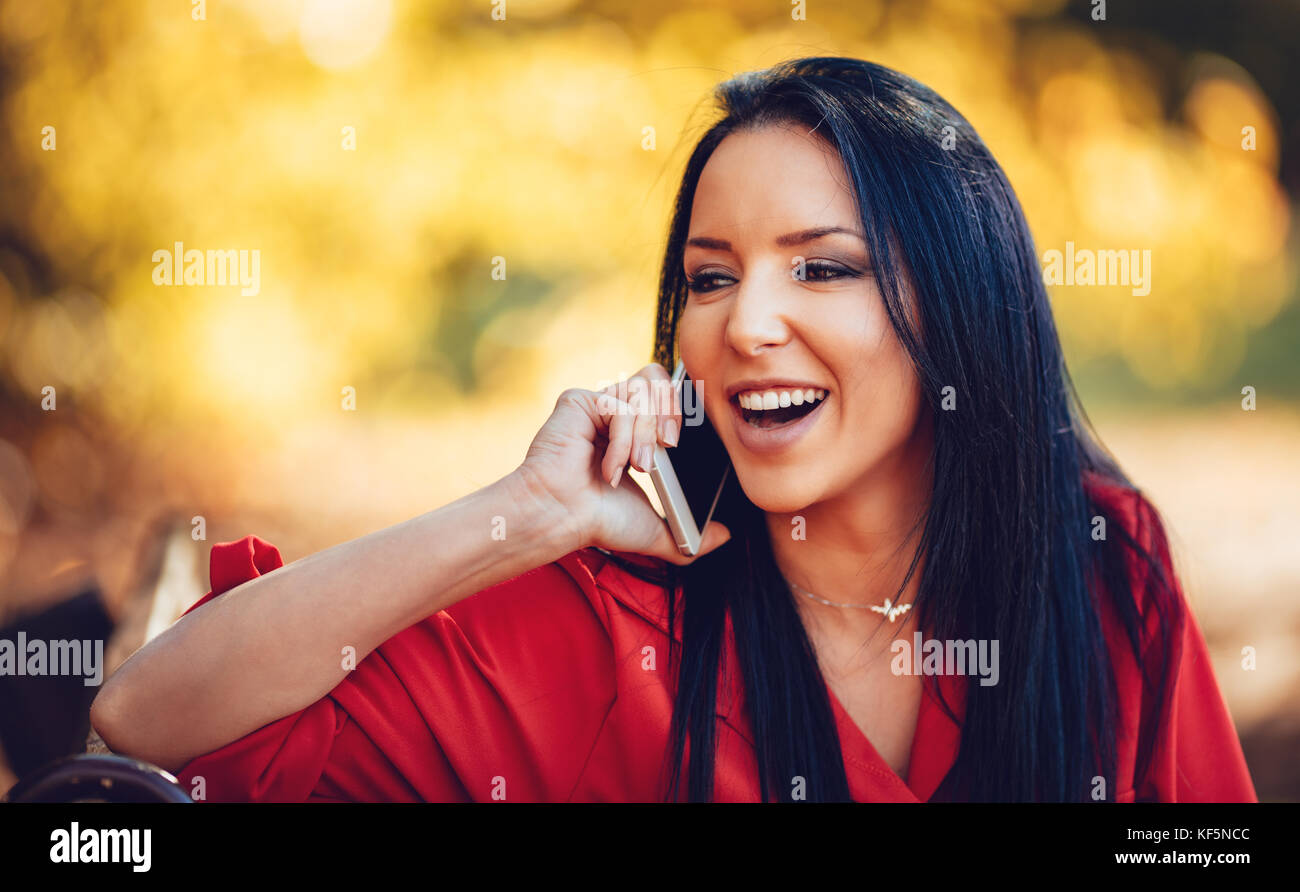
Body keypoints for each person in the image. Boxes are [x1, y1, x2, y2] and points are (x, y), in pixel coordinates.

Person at [89, 57, 1257, 802]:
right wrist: (523, 516)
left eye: (823, 268)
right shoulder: (615, 617)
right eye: (708, 279)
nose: (745, 323)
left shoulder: (1097, 564)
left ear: (958, 307)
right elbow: (153, 715)